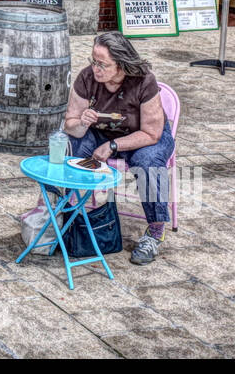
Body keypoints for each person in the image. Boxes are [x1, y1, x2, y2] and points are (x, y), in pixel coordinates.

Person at [62, 31, 174, 265]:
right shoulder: (87, 78)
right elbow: (69, 124)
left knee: (148, 162)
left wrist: (112, 146)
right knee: (72, 146)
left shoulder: (143, 80)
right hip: (103, 133)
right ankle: (66, 212)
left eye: (102, 64)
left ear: (121, 65)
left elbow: (151, 133)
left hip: (143, 137)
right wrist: (82, 122)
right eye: (93, 61)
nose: (95, 68)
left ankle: (155, 231)